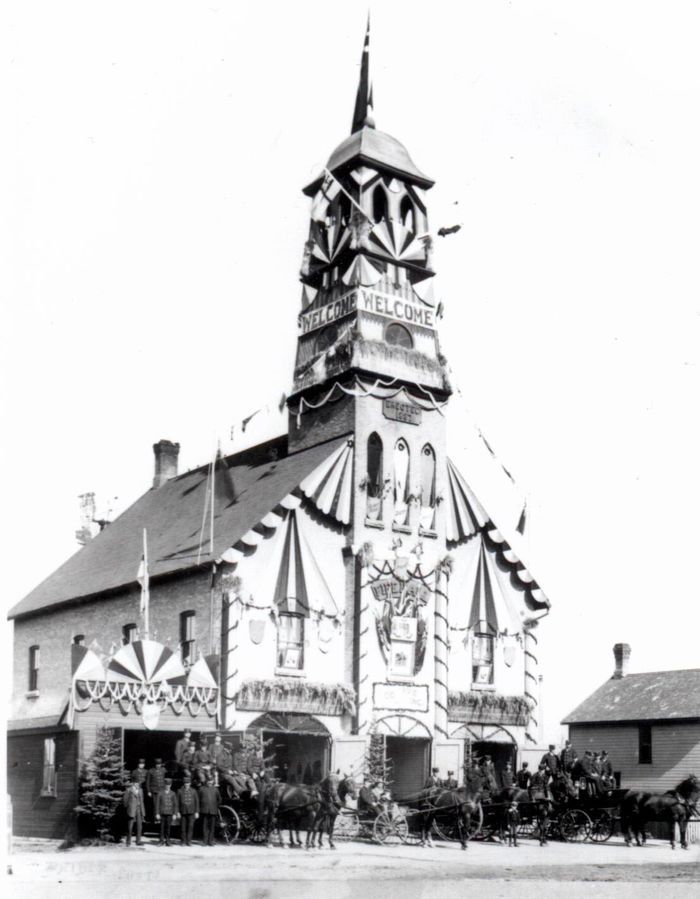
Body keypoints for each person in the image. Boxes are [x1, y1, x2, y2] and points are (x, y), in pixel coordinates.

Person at [199, 774, 221, 847]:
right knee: (204, 826)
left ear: (213, 781)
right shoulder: (202, 789)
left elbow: (219, 799)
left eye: (211, 781)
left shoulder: (215, 789)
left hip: (213, 811)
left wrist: (215, 806)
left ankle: (210, 841)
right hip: (204, 810)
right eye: (208, 781)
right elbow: (198, 799)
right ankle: (205, 841)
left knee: (212, 827)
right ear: (206, 781)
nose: (210, 782)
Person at [122, 776, 145, 847]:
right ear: (133, 783)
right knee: (130, 826)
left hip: (139, 809)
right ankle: (128, 841)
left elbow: (142, 800)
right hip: (131, 809)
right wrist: (128, 808)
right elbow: (125, 801)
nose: (137, 784)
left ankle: (138, 841)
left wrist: (142, 810)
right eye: (136, 783)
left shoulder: (140, 790)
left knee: (139, 825)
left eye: (138, 783)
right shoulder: (129, 790)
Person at [177, 773, 200, 846]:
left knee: (190, 827)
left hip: (191, 811)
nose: (187, 785)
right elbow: (177, 802)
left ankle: (189, 841)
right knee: (183, 827)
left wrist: (197, 812)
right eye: (185, 783)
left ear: (190, 783)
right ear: (184, 783)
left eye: (188, 783)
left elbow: (197, 802)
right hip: (183, 811)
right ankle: (183, 841)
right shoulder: (180, 791)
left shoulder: (193, 791)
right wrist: (177, 812)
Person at [155, 778, 179, 846]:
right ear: (164, 785)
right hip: (162, 813)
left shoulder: (173, 793)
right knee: (161, 828)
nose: (167, 786)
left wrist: (175, 813)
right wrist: (157, 813)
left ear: (170, 785)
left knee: (168, 828)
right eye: (166, 785)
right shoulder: (160, 793)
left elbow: (175, 804)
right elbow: (157, 804)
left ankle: (168, 841)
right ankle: (161, 841)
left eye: (169, 785)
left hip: (170, 813)